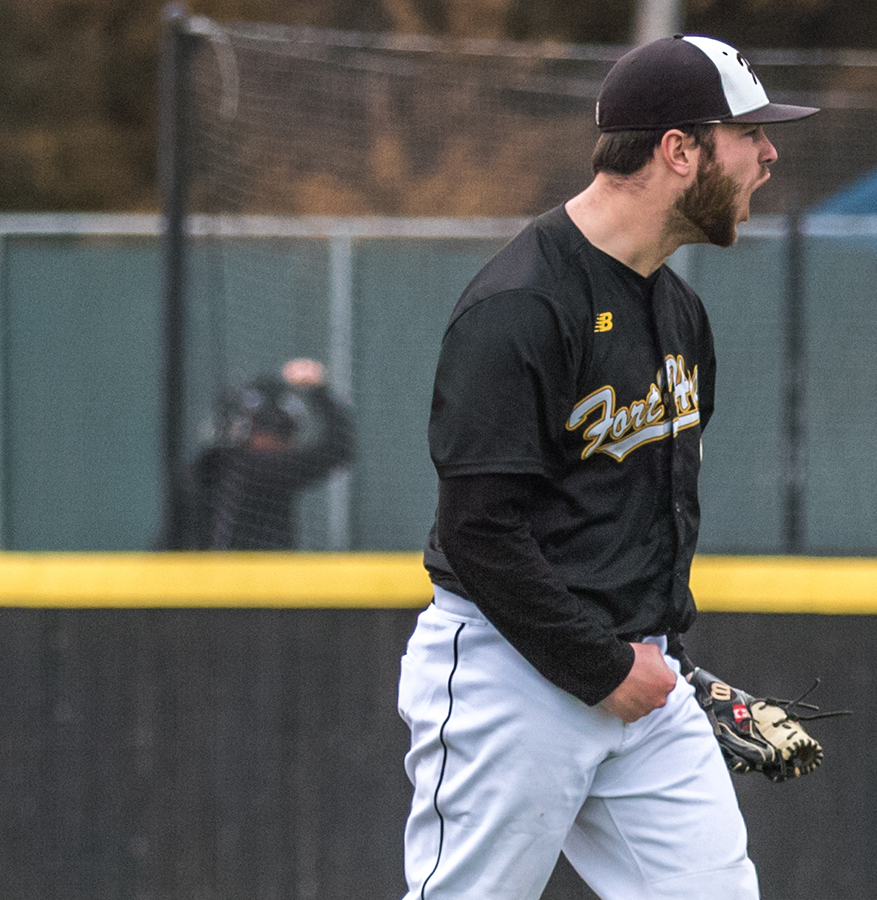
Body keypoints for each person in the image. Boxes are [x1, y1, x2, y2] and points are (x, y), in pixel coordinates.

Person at [395, 34, 818, 900]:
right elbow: (479, 534)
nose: (770, 155)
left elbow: (643, 514)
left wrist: (666, 653)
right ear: (677, 151)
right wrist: (602, 663)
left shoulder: (680, 312)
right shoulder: (520, 305)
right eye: (750, 135)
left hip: (640, 683)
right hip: (510, 673)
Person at [163, 357, 355, 550]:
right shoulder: (263, 468)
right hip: (250, 577)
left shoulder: (207, 465)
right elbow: (338, 448)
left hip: (204, 576)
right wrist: (319, 391)